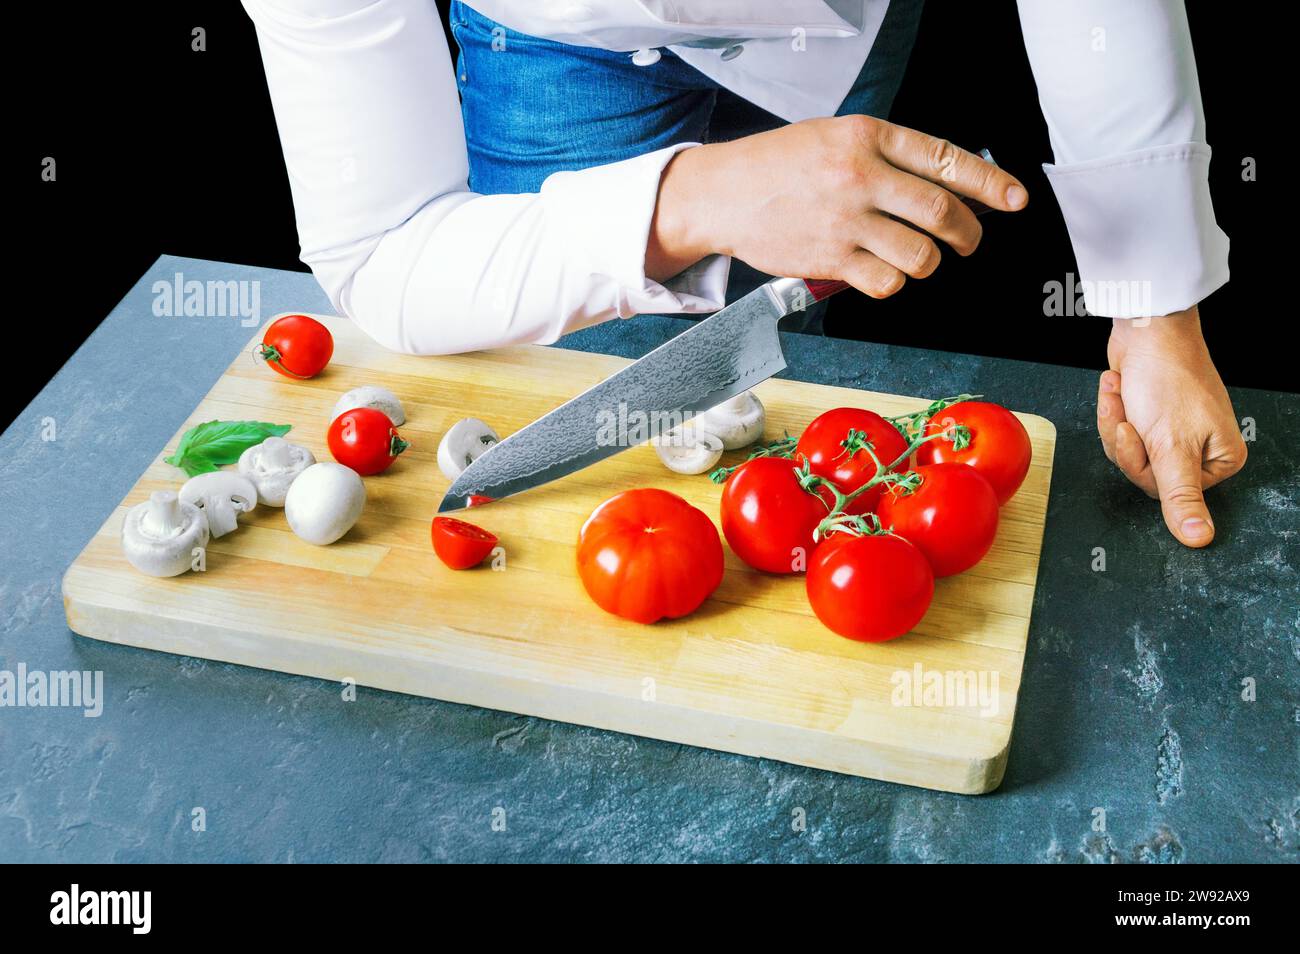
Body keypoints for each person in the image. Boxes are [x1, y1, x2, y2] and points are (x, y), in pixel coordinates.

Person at [242, 0, 1246, 549]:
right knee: (584, 459)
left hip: (826, 19)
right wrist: (699, 201)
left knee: (752, 428)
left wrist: (1157, 304)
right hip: (551, 34)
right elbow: (387, 253)